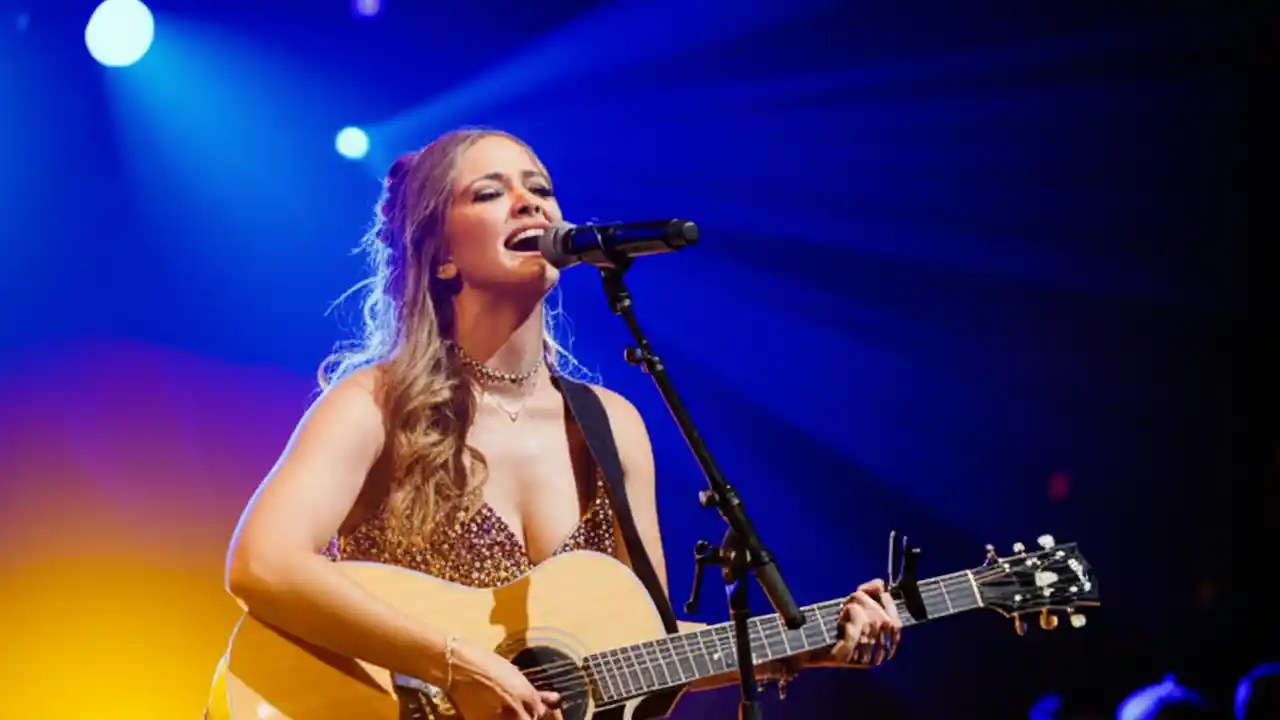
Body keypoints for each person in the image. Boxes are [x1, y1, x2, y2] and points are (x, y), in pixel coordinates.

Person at [219, 127, 902, 719]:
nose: (530, 203)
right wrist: (455, 662)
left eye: (540, 189)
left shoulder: (610, 426)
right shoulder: (375, 404)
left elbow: (645, 647)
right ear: (441, 255)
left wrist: (804, 642)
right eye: (489, 193)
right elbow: (262, 564)